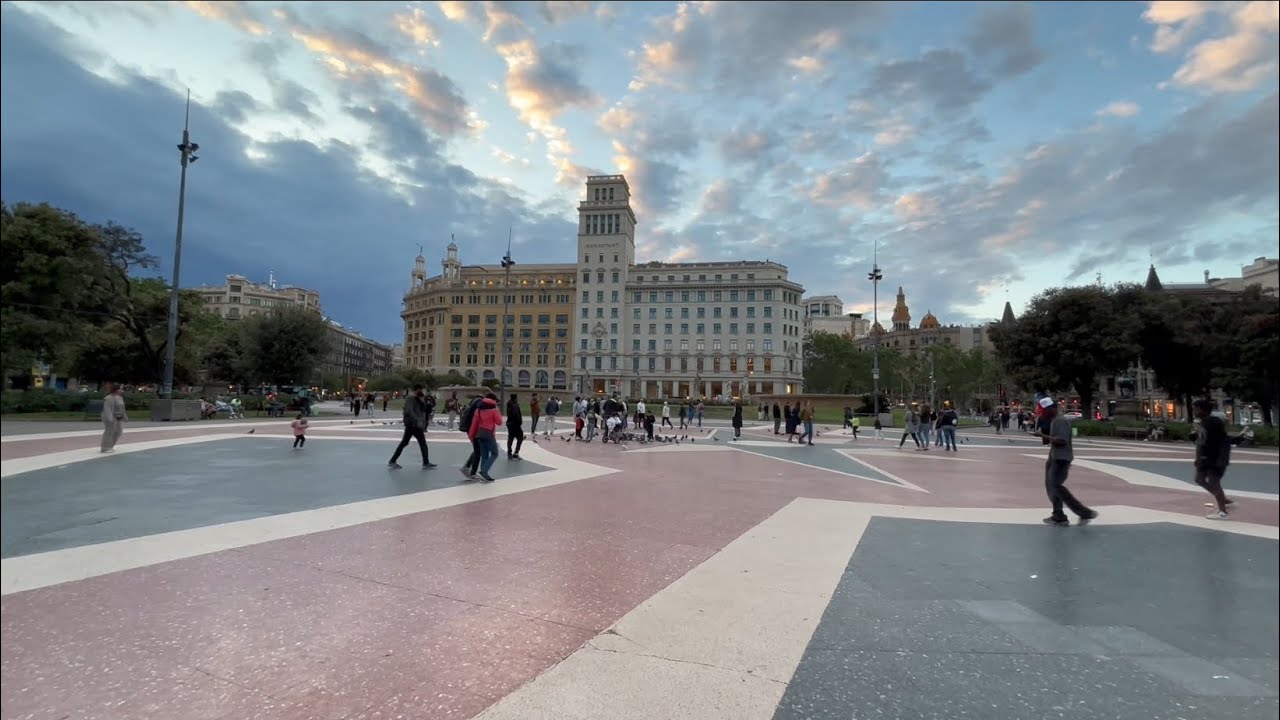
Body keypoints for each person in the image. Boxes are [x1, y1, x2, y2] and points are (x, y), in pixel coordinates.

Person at [1037, 397, 1097, 526]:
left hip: (1061, 458)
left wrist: (1043, 436)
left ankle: (1083, 512)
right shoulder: (1054, 421)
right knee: (1052, 486)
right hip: (1055, 456)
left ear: (1051, 409)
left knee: (1056, 486)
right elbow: (1053, 440)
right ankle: (1058, 515)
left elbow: (1062, 441)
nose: (1042, 413)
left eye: (1044, 411)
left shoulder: (1061, 421)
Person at [1192, 399, 1234, 519]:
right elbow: (1201, 441)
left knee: (1213, 482)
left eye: (1195, 409)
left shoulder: (1211, 423)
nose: (1194, 411)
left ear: (1202, 410)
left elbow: (1206, 441)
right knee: (1199, 479)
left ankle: (1223, 511)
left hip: (1213, 456)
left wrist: (1221, 458)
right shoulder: (1206, 422)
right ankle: (1223, 500)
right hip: (1208, 456)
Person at [388, 384, 437, 469]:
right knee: (418, 443)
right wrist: (417, 420)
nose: (422, 392)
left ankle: (393, 460)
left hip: (416, 425)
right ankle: (425, 462)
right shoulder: (410, 398)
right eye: (420, 390)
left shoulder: (418, 399)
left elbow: (424, 410)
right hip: (412, 424)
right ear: (417, 390)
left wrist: (422, 402)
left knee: (409, 443)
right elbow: (409, 411)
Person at [468, 392, 502, 482]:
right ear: (494, 400)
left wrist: (472, 436)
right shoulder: (494, 409)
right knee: (495, 453)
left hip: (479, 434)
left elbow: (474, 424)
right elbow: (499, 422)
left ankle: (484, 475)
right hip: (489, 433)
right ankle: (483, 472)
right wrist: (497, 410)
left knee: (484, 455)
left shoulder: (478, 409)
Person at [100, 384, 128, 453]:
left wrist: (125, 417)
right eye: (120, 389)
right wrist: (110, 419)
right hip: (110, 417)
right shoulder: (108, 398)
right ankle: (105, 448)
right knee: (109, 432)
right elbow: (107, 409)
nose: (121, 390)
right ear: (116, 390)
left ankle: (110, 445)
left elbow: (123, 408)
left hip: (119, 417)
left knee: (118, 432)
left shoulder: (120, 398)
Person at [506, 393, 525, 460]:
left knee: (510, 438)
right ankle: (516, 453)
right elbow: (516, 415)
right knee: (520, 438)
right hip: (515, 424)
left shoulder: (509, 404)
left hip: (509, 423)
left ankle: (509, 453)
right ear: (516, 398)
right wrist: (519, 422)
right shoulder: (515, 406)